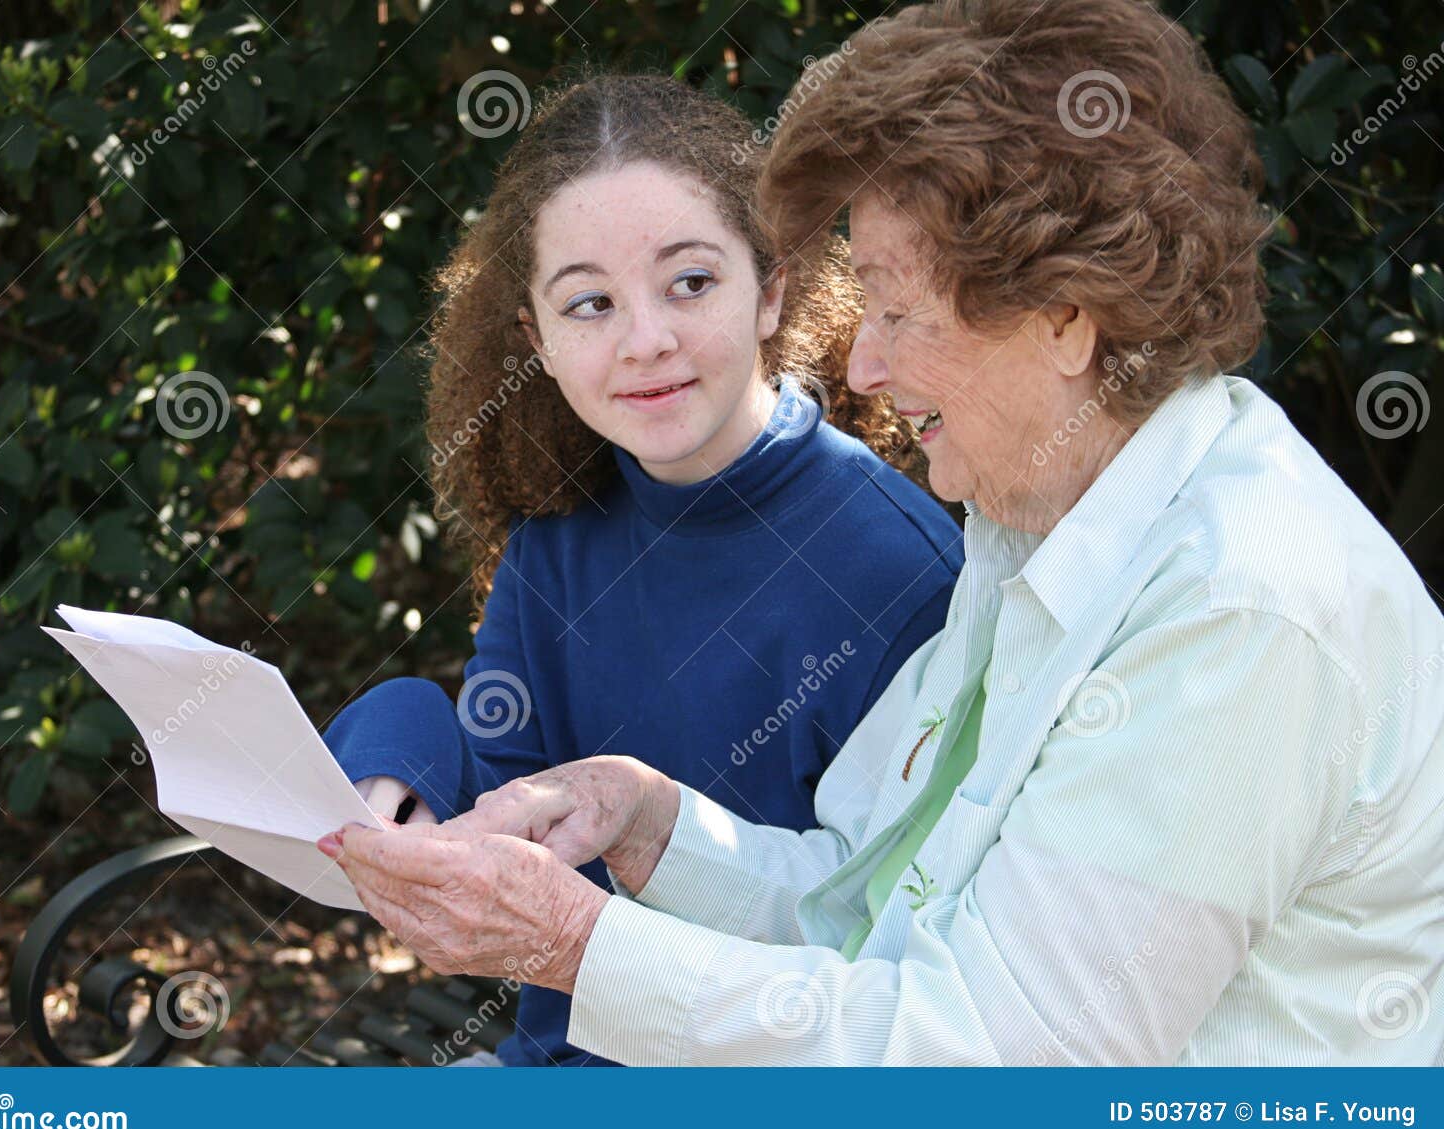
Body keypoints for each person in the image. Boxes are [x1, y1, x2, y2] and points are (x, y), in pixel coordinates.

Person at [320, 0, 1444, 1065]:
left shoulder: (1237, 614)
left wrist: (579, 945)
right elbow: (860, 898)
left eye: (897, 310)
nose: (859, 362)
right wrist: (647, 819)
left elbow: (987, 1069)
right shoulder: (1038, 535)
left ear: (1063, 313)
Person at [319, 74, 963, 1066]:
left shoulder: (898, 571)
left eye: (690, 282)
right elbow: (503, 795)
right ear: (536, 338)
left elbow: (893, 951)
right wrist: (392, 755)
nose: (646, 339)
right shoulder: (562, 530)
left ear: (773, 286)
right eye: (589, 303)